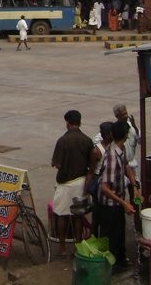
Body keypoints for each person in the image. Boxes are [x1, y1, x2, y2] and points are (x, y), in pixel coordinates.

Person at [97, 119, 140, 272]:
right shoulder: (112, 157)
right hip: (109, 205)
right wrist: (124, 203)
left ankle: (120, 260)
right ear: (126, 136)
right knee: (112, 237)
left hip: (118, 201)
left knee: (120, 233)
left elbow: (127, 165)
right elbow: (104, 187)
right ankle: (111, 267)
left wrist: (134, 186)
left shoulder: (120, 150)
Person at [51, 109, 94, 258]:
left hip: (65, 182)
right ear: (79, 122)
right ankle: (77, 246)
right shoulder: (87, 140)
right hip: (81, 182)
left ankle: (62, 248)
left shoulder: (62, 141)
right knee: (78, 216)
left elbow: (57, 164)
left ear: (67, 123)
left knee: (62, 215)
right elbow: (91, 162)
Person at [88, 121, 113, 237]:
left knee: (104, 214)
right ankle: (95, 238)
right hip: (99, 181)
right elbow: (91, 171)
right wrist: (86, 189)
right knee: (98, 213)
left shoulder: (115, 146)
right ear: (107, 135)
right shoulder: (96, 151)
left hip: (110, 180)